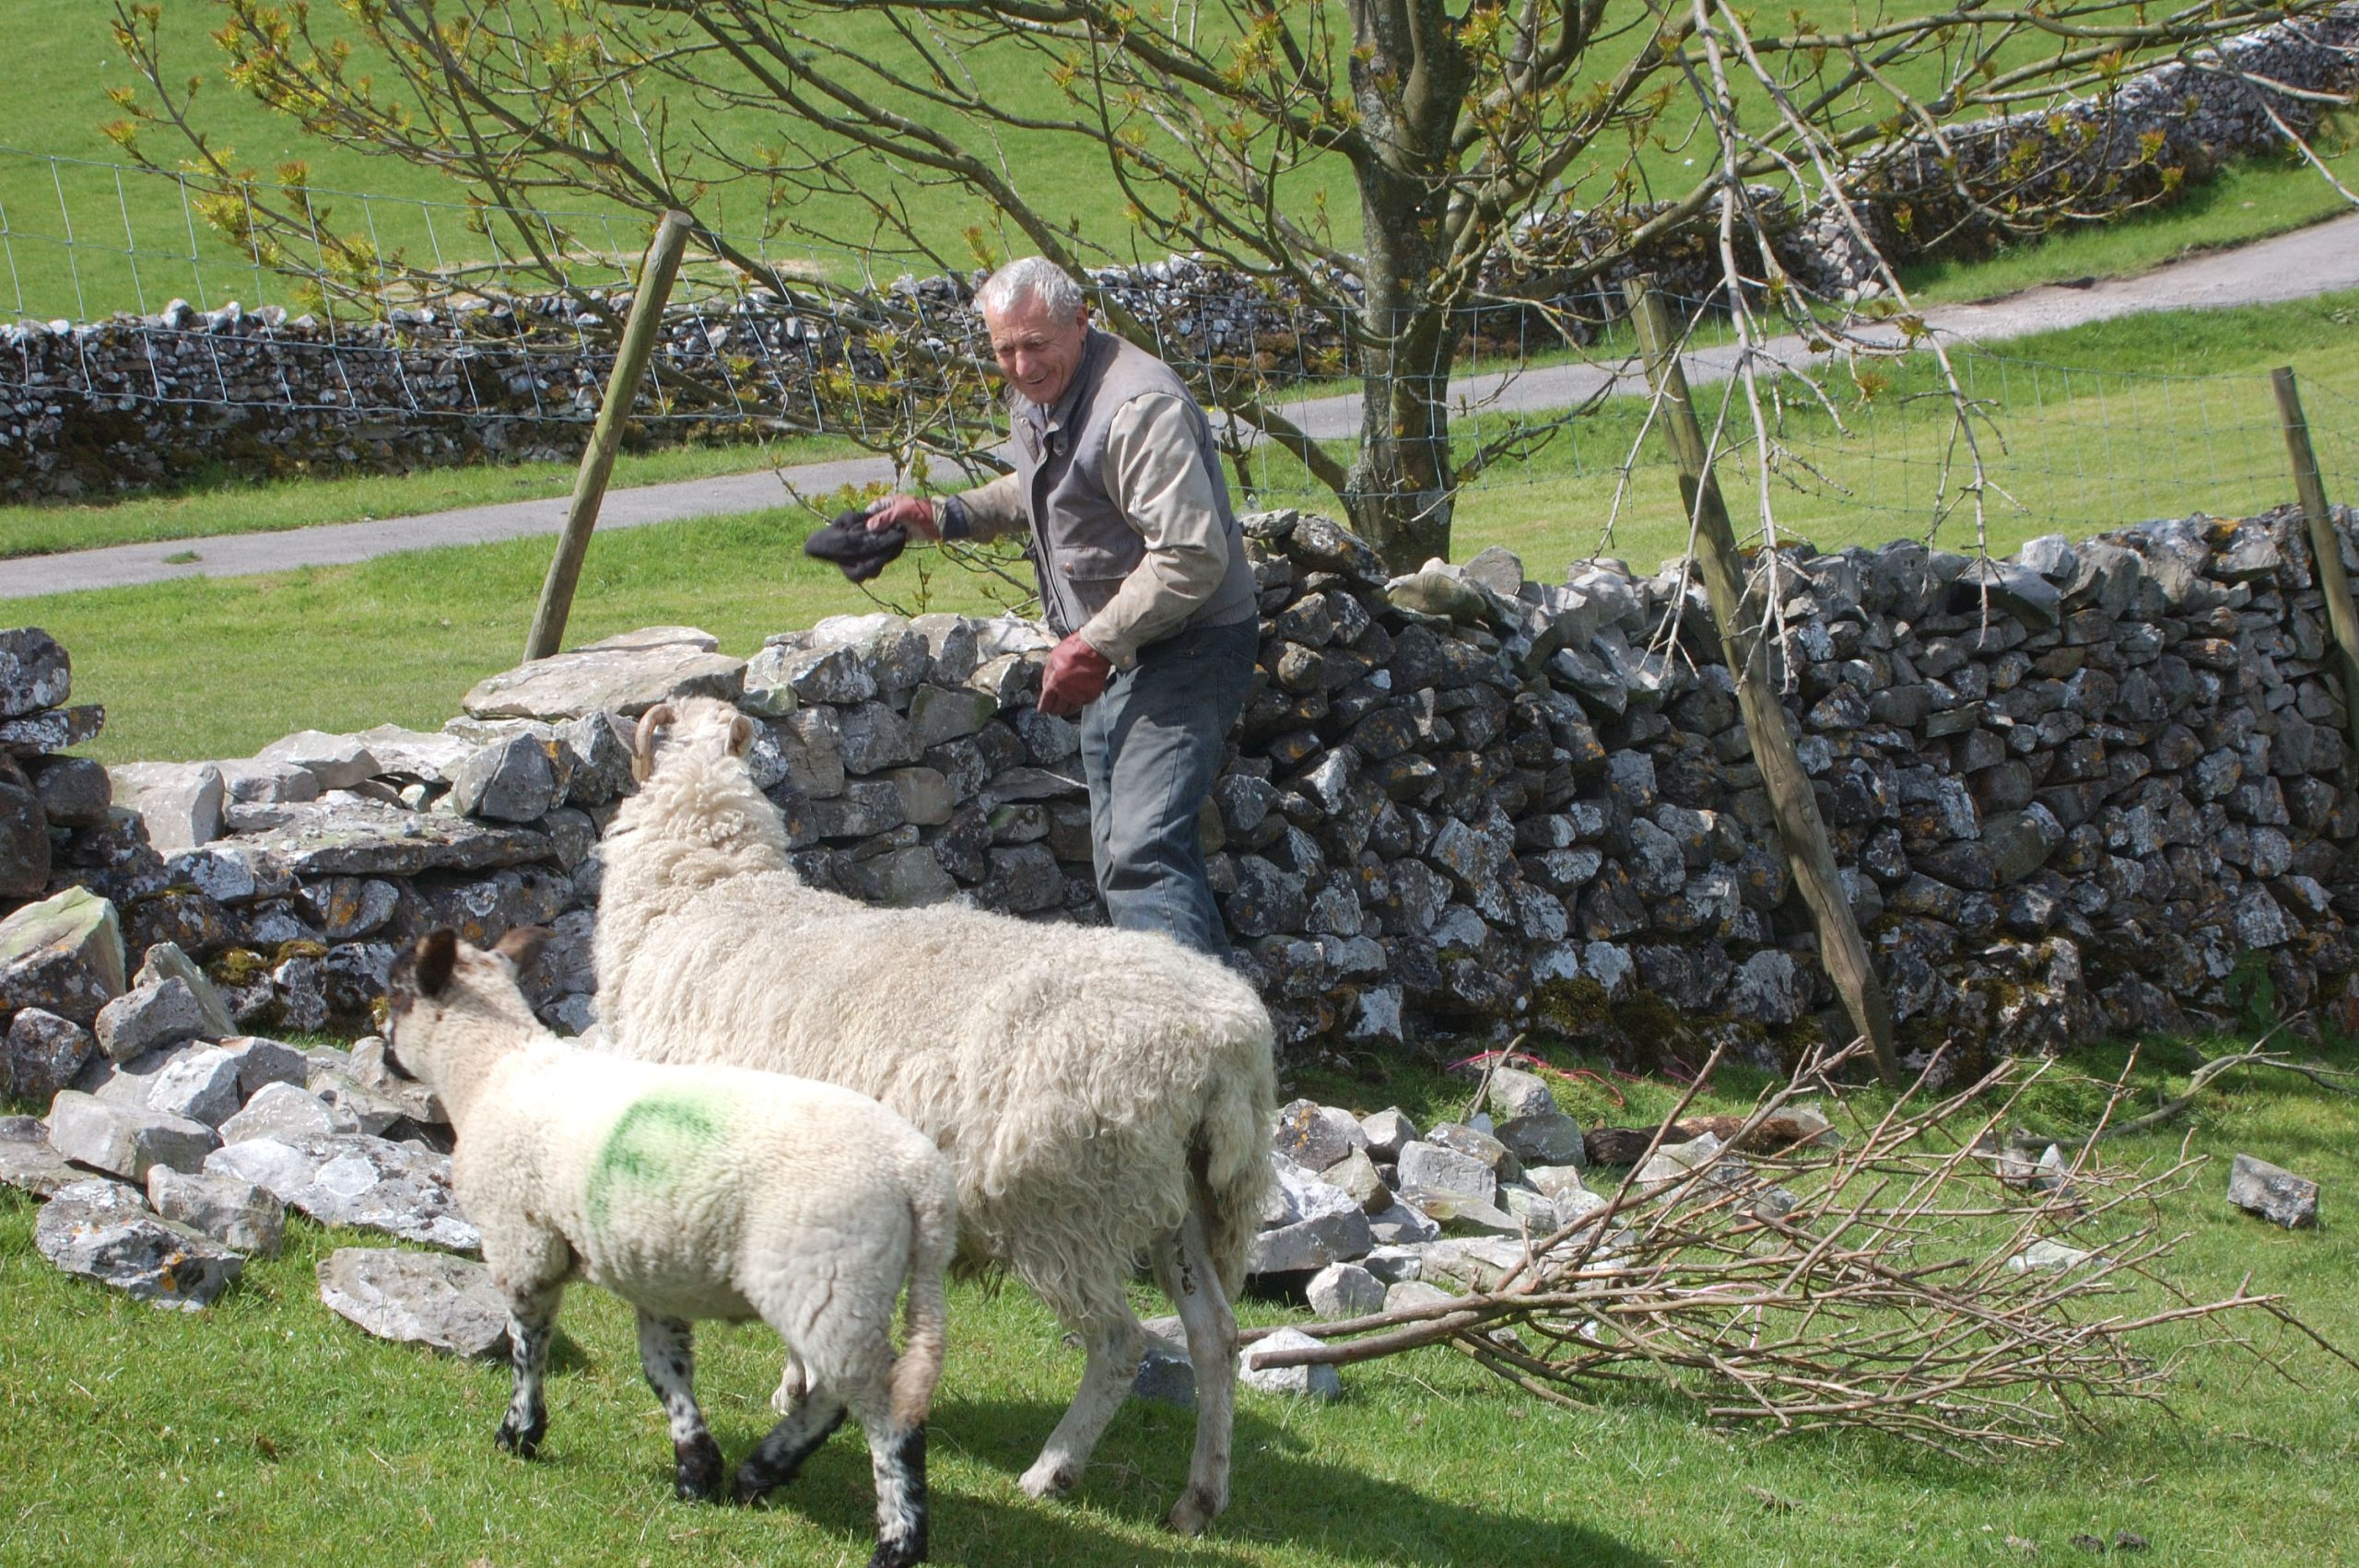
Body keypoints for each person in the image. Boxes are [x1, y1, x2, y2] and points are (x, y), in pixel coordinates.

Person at [866, 256, 1260, 959]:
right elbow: (1044, 487)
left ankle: (1182, 1051)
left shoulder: (1140, 408)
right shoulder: (1048, 395)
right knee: (1123, 856)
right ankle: (1222, 1035)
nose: (1020, 365)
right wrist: (944, 515)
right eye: (1004, 349)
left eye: (1035, 344)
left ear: (1082, 321)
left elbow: (1192, 556)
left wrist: (1092, 645)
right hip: (1121, 648)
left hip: (1190, 643)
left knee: (1143, 854)